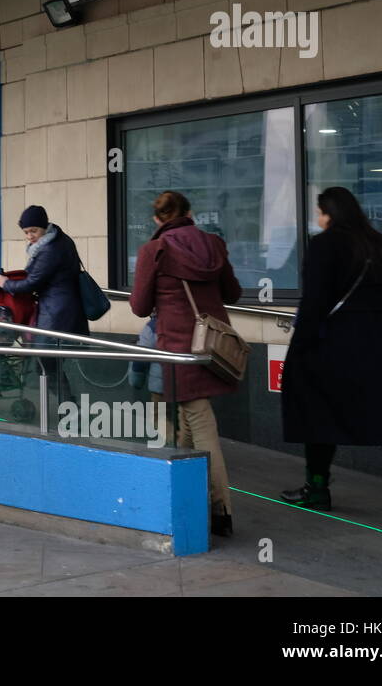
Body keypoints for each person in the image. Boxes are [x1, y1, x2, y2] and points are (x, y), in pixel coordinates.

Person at [280, 187, 382, 534]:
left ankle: (317, 490)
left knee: (319, 413)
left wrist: (303, 345)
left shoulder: (324, 244)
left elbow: (314, 301)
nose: (317, 217)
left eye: (319, 211)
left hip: (337, 345)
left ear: (329, 213)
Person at [128, 190, 241, 538]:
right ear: (190, 212)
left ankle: (199, 507)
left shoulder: (155, 250)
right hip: (208, 347)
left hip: (174, 351)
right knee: (197, 426)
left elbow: (139, 306)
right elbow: (232, 294)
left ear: (157, 219)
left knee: (177, 426)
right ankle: (213, 507)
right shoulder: (213, 244)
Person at [0, 205, 89, 410]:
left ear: (45, 227)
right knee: (50, 365)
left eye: (34, 231)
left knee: (47, 365)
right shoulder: (61, 240)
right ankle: (70, 407)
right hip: (64, 310)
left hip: (56, 314)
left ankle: (70, 409)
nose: (30, 236)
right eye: (26, 232)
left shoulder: (50, 249)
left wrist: (5, 283)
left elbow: (33, 282)